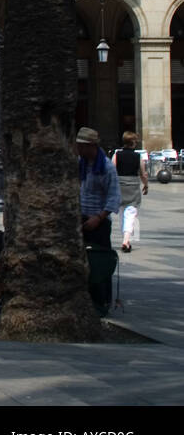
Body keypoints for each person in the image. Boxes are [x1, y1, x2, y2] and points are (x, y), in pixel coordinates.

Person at [77, 126, 120, 311]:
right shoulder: (82, 163)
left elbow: (114, 197)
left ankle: (102, 301)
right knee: (82, 261)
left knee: (99, 263)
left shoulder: (107, 167)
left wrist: (99, 217)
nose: (78, 149)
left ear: (91, 146)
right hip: (82, 218)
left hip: (99, 222)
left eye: (81, 146)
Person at [113, 131, 149, 253]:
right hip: (133, 186)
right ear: (133, 142)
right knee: (131, 213)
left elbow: (112, 170)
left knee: (122, 212)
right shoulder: (138, 157)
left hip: (119, 185)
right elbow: (143, 173)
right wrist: (146, 185)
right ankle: (126, 239)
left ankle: (126, 240)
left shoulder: (116, 155)